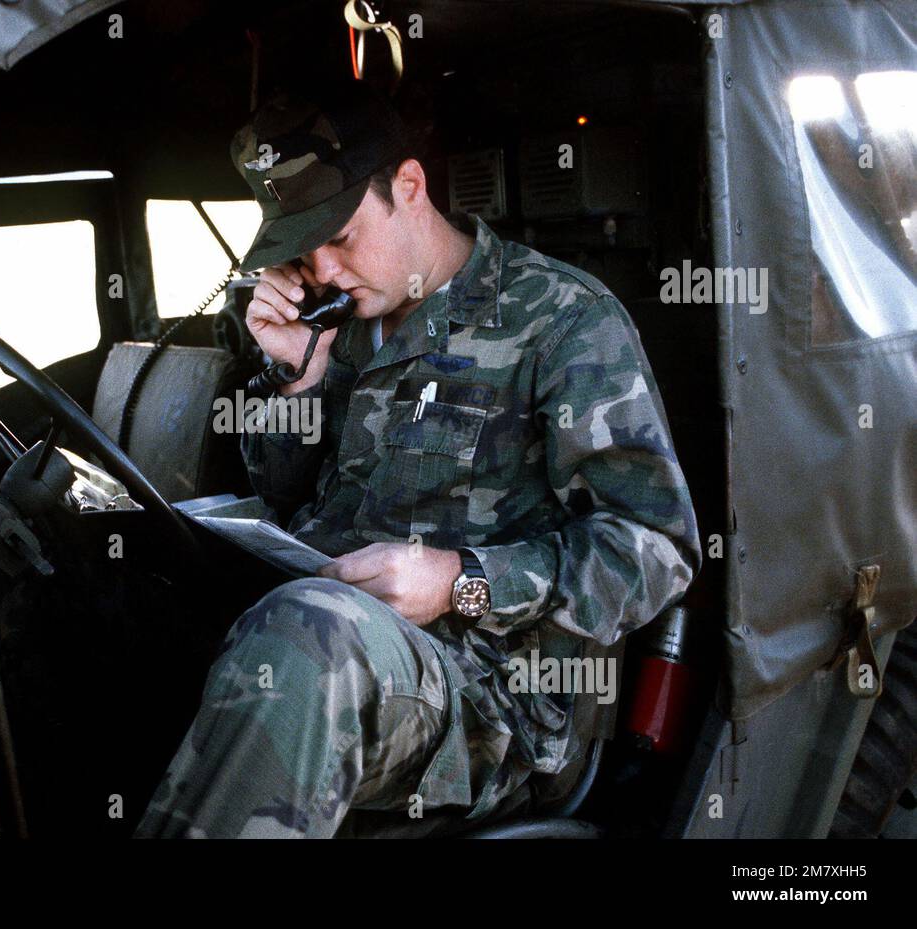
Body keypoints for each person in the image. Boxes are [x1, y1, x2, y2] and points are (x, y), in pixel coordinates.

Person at [135, 83, 701, 838]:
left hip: (490, 699)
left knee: (312, 641)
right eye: (304, 247)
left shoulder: (564, 322)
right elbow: (284, 493)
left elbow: (656, 549)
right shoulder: (343, 322)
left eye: (340, 236)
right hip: (334, 630)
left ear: (409, 187)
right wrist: (295, 382)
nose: (324, 270)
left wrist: (460, 580)